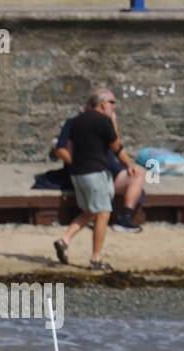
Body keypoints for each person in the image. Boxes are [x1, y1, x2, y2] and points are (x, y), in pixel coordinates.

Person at [53, 89, 138, 271]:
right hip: (95, 172)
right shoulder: (103, 121)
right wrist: (129, 163)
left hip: (77, 173)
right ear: (102, 104)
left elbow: (66, 148)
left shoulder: (76, 121)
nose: (114, 107)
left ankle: (64, 240)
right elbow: (115, 146)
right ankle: (96, 259)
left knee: (88, 212)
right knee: (103, 213)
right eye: (112, 102)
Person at [52, 103, 146, 234]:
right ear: (100, 106)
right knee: (98, 211)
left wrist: (129, 164)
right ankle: (91, 251)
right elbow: (60, 150)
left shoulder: (105, 123)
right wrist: (77, 164)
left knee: (138, 174)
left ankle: (125, 219)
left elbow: (117, 147)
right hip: (89, 172)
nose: (114, 107)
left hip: (108, 171)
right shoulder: (75, 123)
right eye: (110, 103)